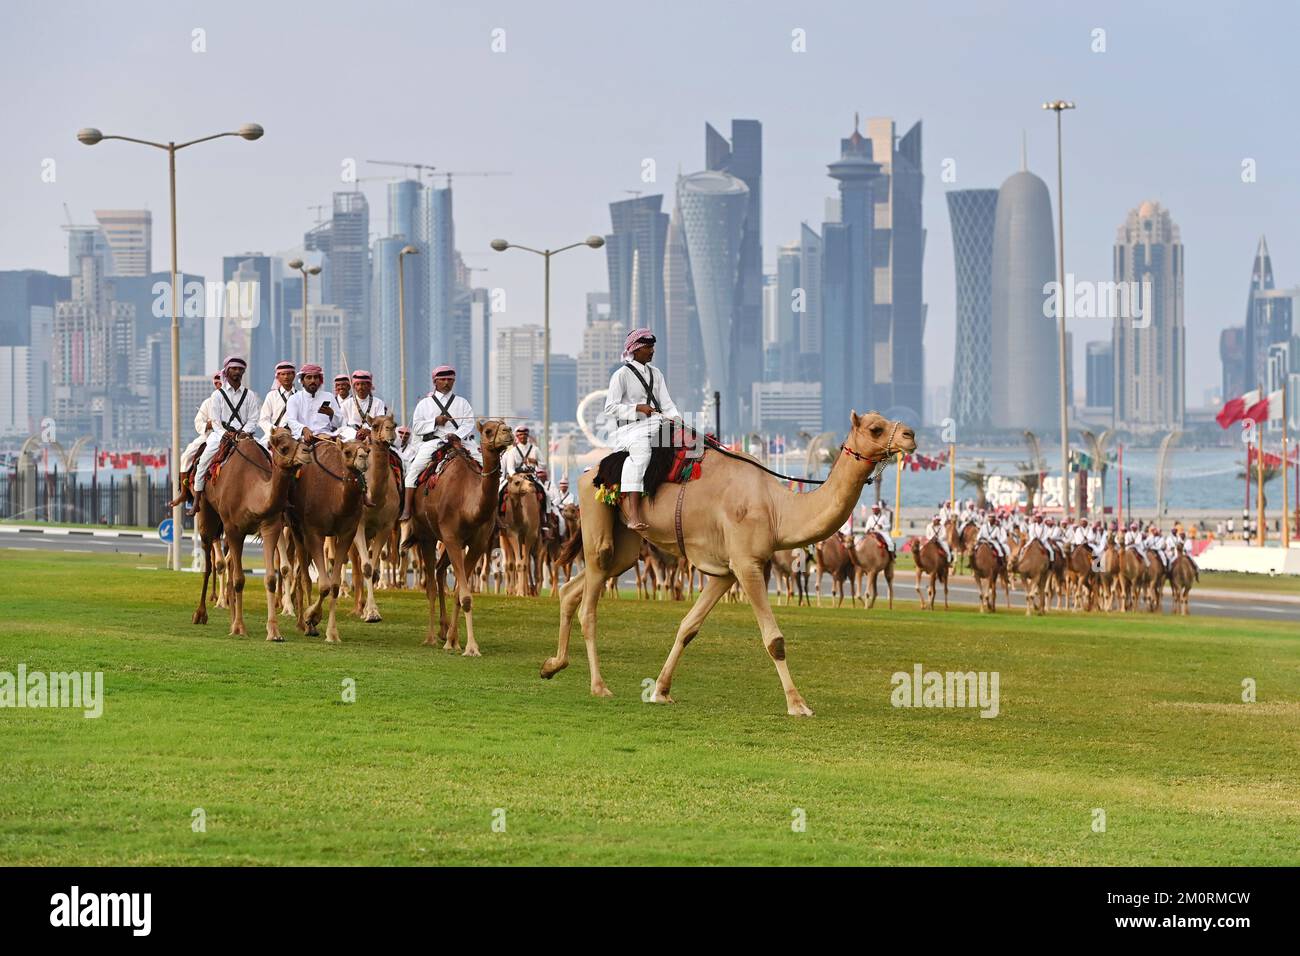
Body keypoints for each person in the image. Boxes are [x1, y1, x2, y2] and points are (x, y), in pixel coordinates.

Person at [603, 327, 679, 531]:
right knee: (643, 453)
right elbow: (610, 408)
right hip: (630, 430)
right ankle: (634, 515)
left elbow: (667, 403)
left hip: (656, 423)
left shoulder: (657, 373)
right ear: (635, 349)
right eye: (648, 347)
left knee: (690, 445)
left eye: (652, 346)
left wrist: (677, 419)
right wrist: (637, 408)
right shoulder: (621, 375)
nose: (652, 350)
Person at [400, 365, 477, 522]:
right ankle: (407, 510)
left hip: (460, 442)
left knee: (488, 469)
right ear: (435, 382)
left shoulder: (462, 402)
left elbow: (469, 423)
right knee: (412, 472)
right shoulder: (424, 404)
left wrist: (456, 435)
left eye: (450, 379)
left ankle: (493, 512)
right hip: (434, 443)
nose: (447, 382)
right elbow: (417, 427)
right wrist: (435, 421)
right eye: (443, 379)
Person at [187, 356, 260, 514]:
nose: (237, 372)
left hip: (243, 435)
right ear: (227, 371)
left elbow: (254, 419)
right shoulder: (217, 395)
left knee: (267, 455)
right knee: (202, 463)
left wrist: (243, 433)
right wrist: (224, 434)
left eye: (240, 369)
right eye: (234, 369)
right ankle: (197, 501)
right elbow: (215, 420)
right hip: (220, 435)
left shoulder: (250, 395)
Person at [180, 372, 223, 473]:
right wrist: (208, 424)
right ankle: (183, 488)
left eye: (221, 383)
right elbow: (198, 423)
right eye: (217, 383)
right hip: (208, 437)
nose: (219, 386)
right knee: (185, 457)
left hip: (229, 436)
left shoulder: (234, 402)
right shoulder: (208, 403)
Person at [285, 364, 343, 440]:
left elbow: (339, 424)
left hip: (326, 437)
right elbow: (291, 420)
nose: (313, 380)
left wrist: (331, 414)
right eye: (309, 377)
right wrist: (304, 429)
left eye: (316, 377)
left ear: (320, 380)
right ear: (302, 381)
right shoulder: (294, 398)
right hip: (302, 438)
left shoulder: (329, 396)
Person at [341, 369, 388, 441]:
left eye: (363, 384)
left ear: (369, 386)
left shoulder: (379, 403)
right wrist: (356, 434)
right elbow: (342, 426)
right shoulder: (346, 404)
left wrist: (368, 431)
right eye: (357, 384)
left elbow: (380, 423)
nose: (360, 387)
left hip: (372, 437)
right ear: (354, 387)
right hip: (351, 439)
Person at [257, 360, 297, 446]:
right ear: (278, 376)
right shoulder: (271, 396)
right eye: (283, 374)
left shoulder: (300, 395)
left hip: (296, 435)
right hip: (275, 435)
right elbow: (263, 420)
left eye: (289, 374)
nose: (286, 377)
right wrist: (276, 430)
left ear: (294, 375)